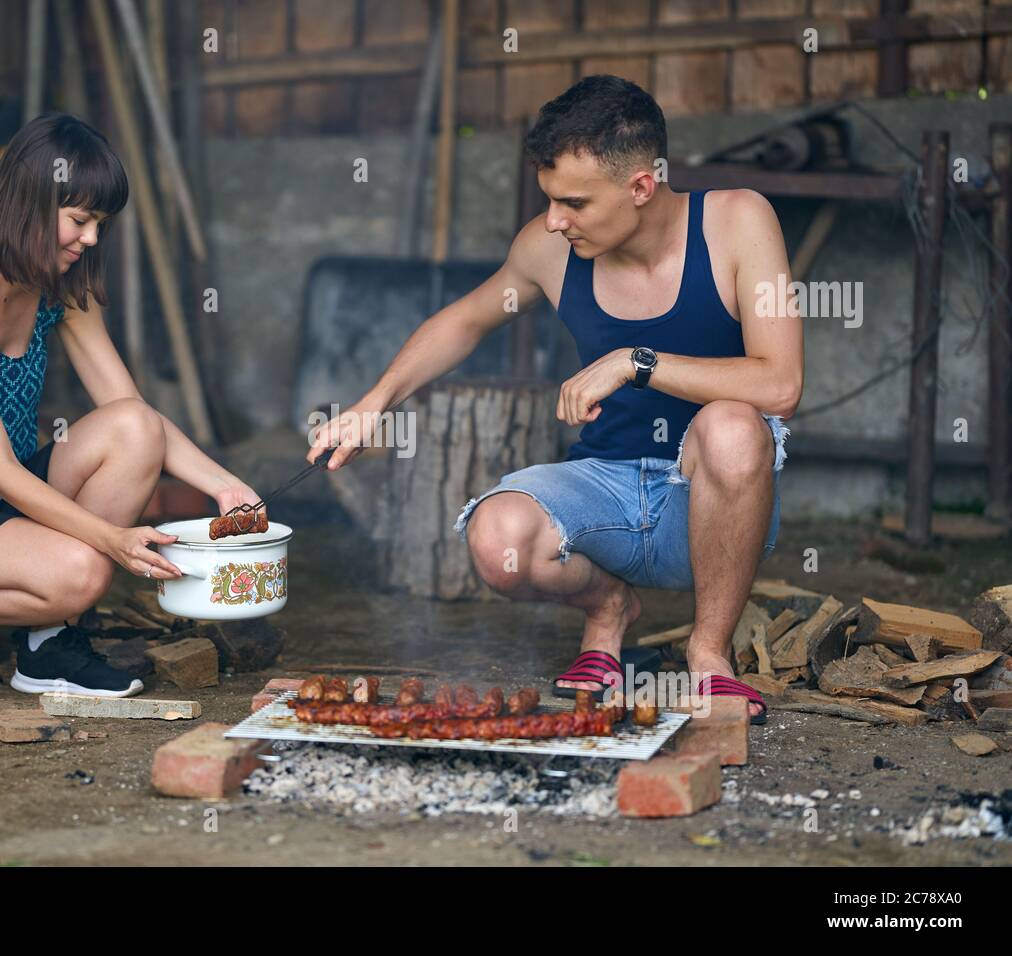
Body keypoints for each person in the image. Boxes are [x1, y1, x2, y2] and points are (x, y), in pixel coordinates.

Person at [307, 76, 803, 724]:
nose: (553, 220)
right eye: (549, 200)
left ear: (641, 187)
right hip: (606, 498)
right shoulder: (550, 249)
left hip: (712, 506)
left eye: (572, 202)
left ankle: (708, 654)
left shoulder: (738, 221)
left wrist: (635, 362)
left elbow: (781, 386)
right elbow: (464, 321)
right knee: (497, 539)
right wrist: (376, 401)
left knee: (733, 427)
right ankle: (608, 610)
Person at [0, 113, 260, 698]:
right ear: (30, 202)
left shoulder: (55, 288)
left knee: (134, 430)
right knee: (83, 571)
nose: (91, 239)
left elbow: (135, 416)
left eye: (99, 224)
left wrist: (225, 487)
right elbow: (0, 468)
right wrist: (111, 541)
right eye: (80, 220)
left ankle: (46, 645)